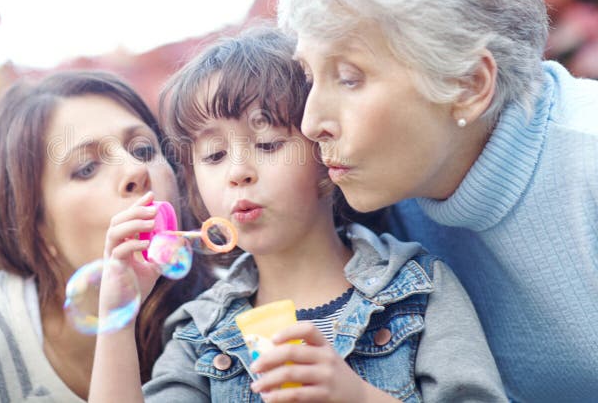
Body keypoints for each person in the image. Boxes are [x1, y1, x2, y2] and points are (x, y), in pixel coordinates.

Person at [279, 0, 598, 403]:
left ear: (469, 84)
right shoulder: (384, 190)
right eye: (309, 76)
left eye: (349, 78)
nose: (310, 122)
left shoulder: (587, 163)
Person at [89, 29, 506, 402]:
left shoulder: (417, 292)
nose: (238, 172)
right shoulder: (202, 336)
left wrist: (358, 399)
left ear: (326, 151)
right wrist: (116, 316)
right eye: (214, 155)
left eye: (268, 143)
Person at [0, 71, 212, 402]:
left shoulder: (225, 308)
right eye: (87, 168)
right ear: (36, 227)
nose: (136, 170)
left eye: (143, 150)